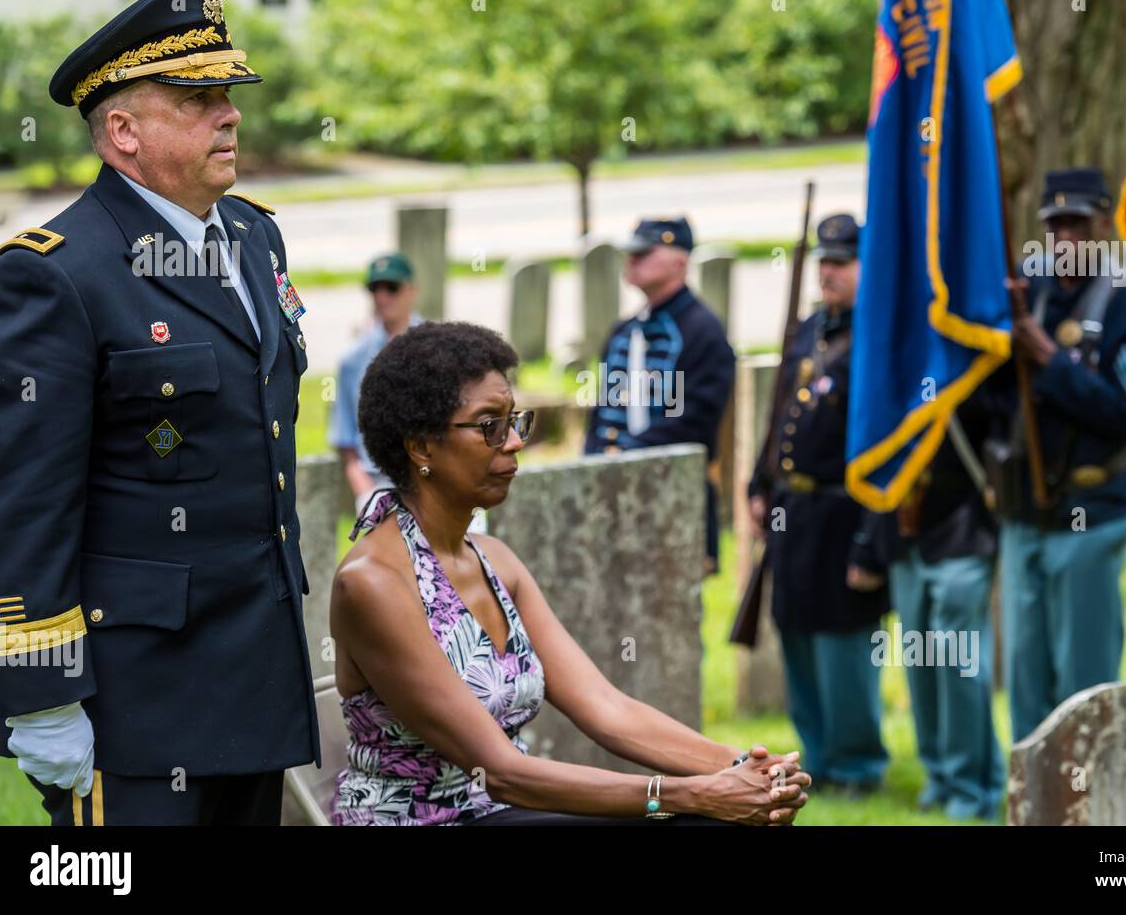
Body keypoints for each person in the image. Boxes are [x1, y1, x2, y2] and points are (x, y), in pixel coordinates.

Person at [0, 0, 319, 824]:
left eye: (228, 94)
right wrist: (43, 694)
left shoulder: (252, 234)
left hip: (257, 680)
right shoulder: (55, 273)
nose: (230, 114)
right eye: (197, 98)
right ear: (123, 130)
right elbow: (24, 501)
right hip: (134, 701)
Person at [331, 321, 810, 825]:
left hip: (500, 810)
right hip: (429, 818)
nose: (514, 441)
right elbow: (501, 771)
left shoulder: (495, 561)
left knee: (730, 815)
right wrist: (693, 794)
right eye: (489, 425)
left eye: (515, 420)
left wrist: (746, 767)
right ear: (421, 447)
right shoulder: (374, 582)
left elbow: (606, 708)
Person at [994, 167, 1126, 744]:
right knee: (1025, 675)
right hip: (1025, 513)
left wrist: (1052, 362)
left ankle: (1087, 799)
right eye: (1056, 226)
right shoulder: (1029, 293)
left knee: (1082, 680)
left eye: (1078, 225)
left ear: (1103, 226)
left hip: (1091, 510)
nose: (1065, 240)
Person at [747, 213, 890, 797]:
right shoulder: (809, 329)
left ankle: (858, 765)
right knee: (797, 631)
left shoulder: (880, 337)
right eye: (823, 261)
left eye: (840, 262)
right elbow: (782, 412)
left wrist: (873, 540)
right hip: (794, 513)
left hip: (845, 513)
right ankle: (820, 756)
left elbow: (885, 443)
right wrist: (760, 483)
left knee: (843, 643)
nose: (827, 272)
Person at [584, 217, 736, 574]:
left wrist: (623, 456)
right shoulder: (625, 330)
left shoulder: (703, 333)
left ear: (679, 262)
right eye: (631, 254)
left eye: (644, 253)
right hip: (609, 493)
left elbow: (694, 424)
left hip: (669, 494)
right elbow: (602, 413)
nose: (632, 261)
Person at [882, 382, 1004, 820]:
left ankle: (973, 786)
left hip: (964, 520)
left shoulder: (969, 338)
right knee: (918, 656)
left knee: (958, 659)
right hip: (905, 524)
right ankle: (938, 772)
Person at [330, 251, 424, 510]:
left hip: (433, 476)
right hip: (378, 481)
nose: (382, 297)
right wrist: (366, 495)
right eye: (375, 289)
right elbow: (345, 437)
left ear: (412, 290)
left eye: (391, 288)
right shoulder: (352, 360)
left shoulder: (438, 349)